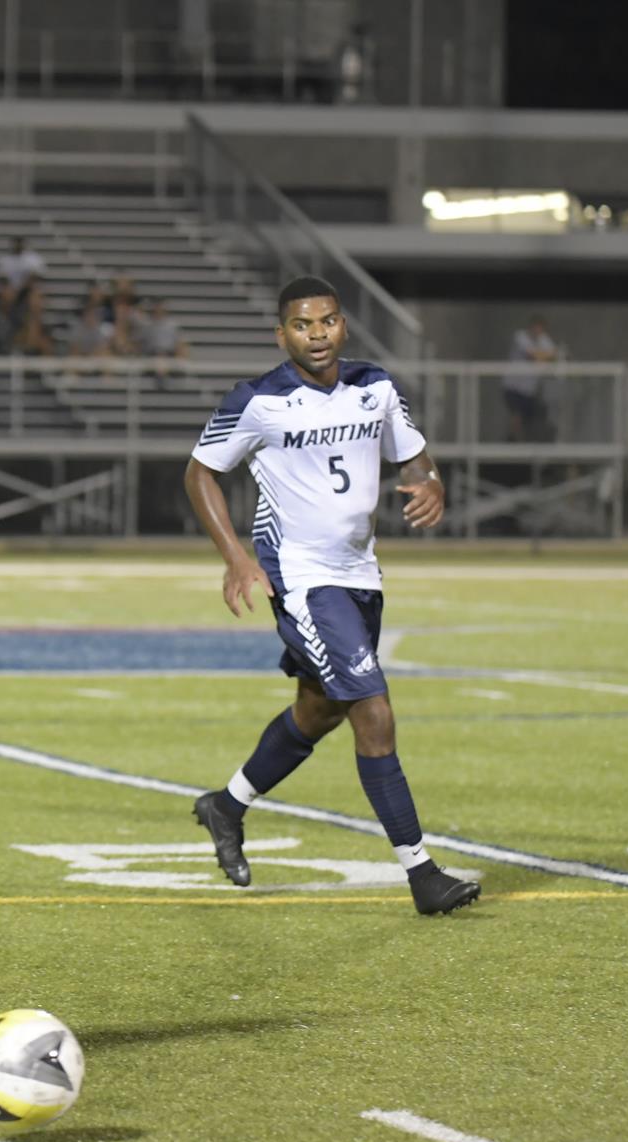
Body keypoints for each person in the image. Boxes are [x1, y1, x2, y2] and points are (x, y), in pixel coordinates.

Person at [184, 276, 478, 917]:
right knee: (372, 708)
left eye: (327, 322)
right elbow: (200, 472)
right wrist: (235, 556)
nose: (316, 335)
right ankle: (422, 874)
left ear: (343, 325)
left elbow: (414, 457)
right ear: (281, 334)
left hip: (360, 574)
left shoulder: (376, 386)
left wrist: (432, 483)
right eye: (302, 324)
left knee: (319, 708)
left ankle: (225, 806)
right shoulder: (258, 400)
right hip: (302, 576)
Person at [504, 316, 559, 443]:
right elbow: (532, 354)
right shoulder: (520, 336)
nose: (537, 331)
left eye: (540, 329)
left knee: (531, 418)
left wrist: (550, 356)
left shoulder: (544, 340)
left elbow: (554, 355)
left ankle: (526, 442)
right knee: (516, 414)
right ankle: (512, 441)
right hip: (513, 386)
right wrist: (547, 356)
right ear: (530, 327)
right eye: (535, 328)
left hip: (529, 390)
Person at [0, 237, 46, 316]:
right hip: (12, 288)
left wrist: (23, 287)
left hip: (28, 289)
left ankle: (33, 321)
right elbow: (3, 277)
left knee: (35, 298)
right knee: (5, 294)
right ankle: (8, 319)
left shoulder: (33, 258)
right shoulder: (5, 259)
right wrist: (15, 289)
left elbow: (35, 276)